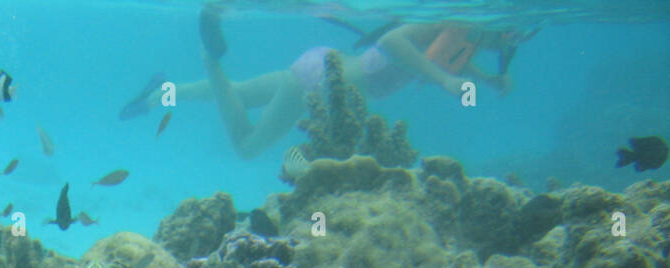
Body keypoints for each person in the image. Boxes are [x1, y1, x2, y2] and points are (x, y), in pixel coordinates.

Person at [145, 3, 522, 159]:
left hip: (325, 68)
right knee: (247, 147)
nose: (508, 40)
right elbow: (392, 40)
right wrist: (443, 80)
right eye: (510, 34)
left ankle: (157, 94)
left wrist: (487, 79)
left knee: (237, 94)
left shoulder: (465, 37)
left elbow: (445, 61)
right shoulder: (449, 20)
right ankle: (209, 57)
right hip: (321, 83)